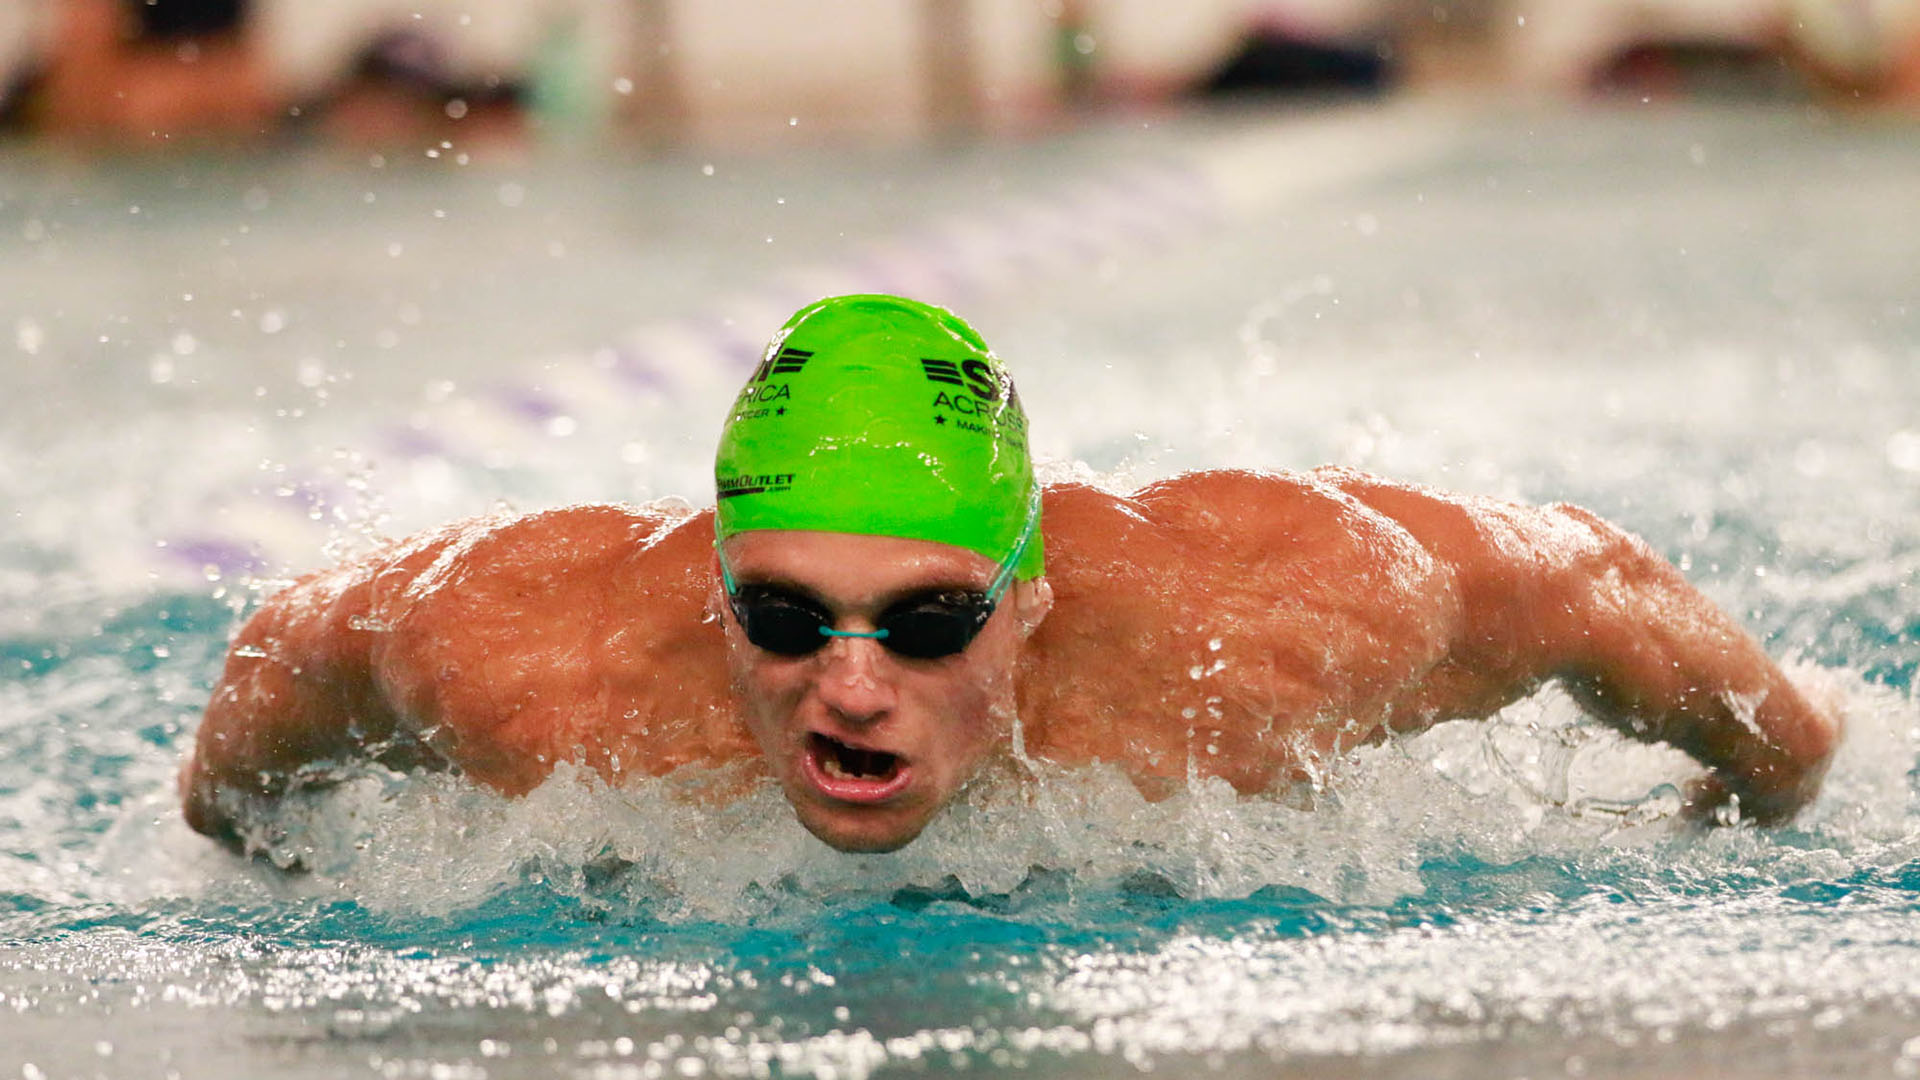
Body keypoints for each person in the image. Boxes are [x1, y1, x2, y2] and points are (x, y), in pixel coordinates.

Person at [181, 294, 1840, 856]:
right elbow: (279, 666)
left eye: (925, 621)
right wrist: (255, 845)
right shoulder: (536, 672)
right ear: (715, 596)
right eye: (781, 615)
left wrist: (1773, 781)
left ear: (1028, 596)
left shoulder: (1249, 641)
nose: (849, 682)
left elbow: (1590, 583)